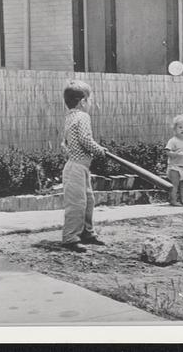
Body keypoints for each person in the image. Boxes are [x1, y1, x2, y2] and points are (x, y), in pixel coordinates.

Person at [61, 80, 108, 252]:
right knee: (77, 203)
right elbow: (85, 139)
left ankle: (87, 233)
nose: (91, 104)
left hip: (80, 167)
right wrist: (100, 150)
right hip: (76, 168)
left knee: (88, 200)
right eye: (89, 100)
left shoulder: (70, 117)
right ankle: (70, 238)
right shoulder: (82, 116)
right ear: (82, 102)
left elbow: (66, 142)